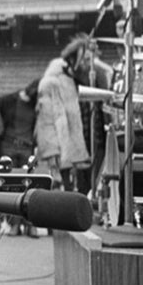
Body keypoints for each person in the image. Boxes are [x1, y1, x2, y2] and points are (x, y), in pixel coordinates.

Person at [35, 33, 101, 192]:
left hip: (91, 150)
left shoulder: (85, 79)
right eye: (85, 60)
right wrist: (52, 153)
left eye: (91, 60)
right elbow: (46, 122)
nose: (89, 65)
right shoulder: (51, 82)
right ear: (72, 60)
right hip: (66, 155)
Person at [0, 79, 40, 235]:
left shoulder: (37, 105)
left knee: (29, 186)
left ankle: (29, 224)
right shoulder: (8, 100)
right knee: (12, 186)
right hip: (8, 146)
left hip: (27, 148)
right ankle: (14, 224)